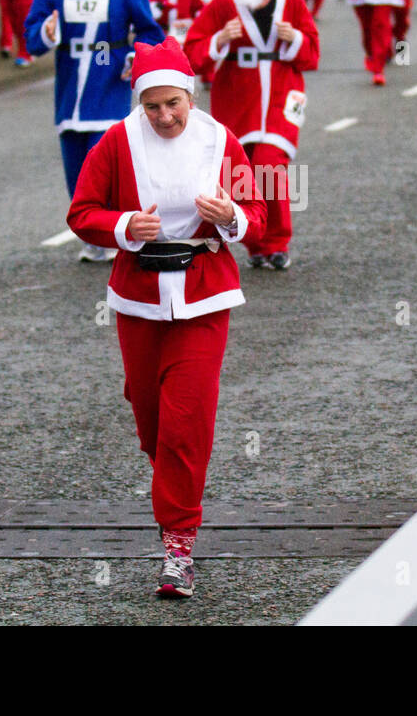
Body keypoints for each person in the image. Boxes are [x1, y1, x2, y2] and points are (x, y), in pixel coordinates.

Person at [66, 36, 267, 599]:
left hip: (205, 292)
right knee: (151, 415)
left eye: (173, 103)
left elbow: (255, 212)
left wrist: (230, 216)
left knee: (186, 417)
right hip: (139, 294)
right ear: (139, 103)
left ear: (190, 95)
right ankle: (174, 489)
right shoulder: (116, 141)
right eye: (152, 106)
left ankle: (178, 545)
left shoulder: (219, 139)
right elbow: (82, 212)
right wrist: (126, 226)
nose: (164, 116)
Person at [23, 0, 165, 262]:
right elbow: (31, 32)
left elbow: (149, 29)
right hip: (70, 81)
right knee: (75, 167)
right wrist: (46, 31)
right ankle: (92, 231)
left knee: (104, 159)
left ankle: (115, 231)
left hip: (109, 73)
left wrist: (136, 57)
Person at [184, 0, 320, 269]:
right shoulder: (222, 2)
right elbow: (194, 54)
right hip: (236, 95)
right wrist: (219, 38)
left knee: (269, 163)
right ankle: (255, 243)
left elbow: (313, 53)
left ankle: (278, 241)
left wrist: (296, 39)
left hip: (282, 89)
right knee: (238, 171)